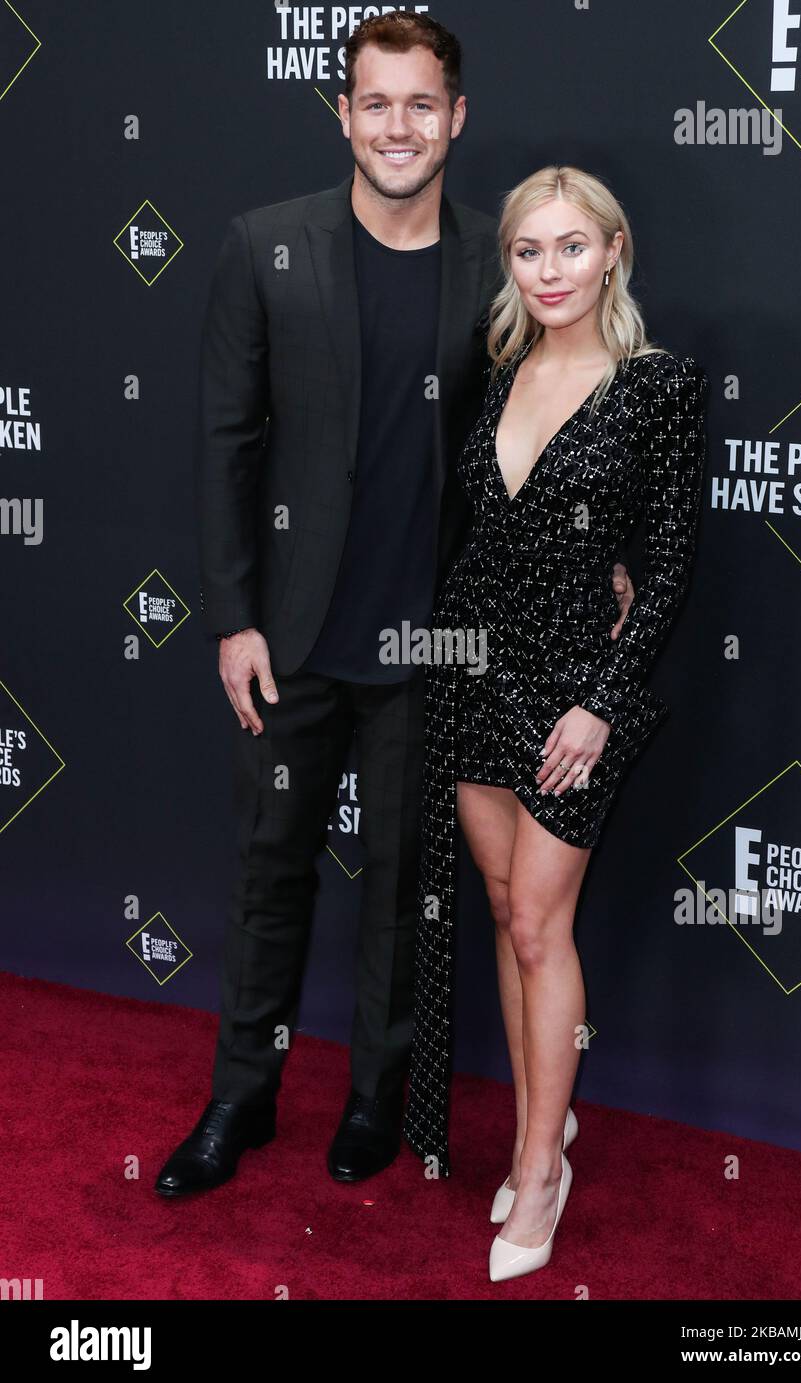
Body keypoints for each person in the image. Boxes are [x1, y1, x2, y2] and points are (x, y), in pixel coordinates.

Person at [154, 15, 637, 1198]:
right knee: (271, 871)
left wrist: (612, 554)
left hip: (441, 639)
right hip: (293, 633)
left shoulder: (499, 261)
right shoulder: (264, 247)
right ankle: (239, 1101)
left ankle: (376, 1102)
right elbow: (224, 443)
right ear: (343, 115)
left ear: (455, 117)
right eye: (376, 104)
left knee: (404, 888)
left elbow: (573, 415)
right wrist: (231, 616)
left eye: (421, 104)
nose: (398, 127)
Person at [403, 164, 709, 1282]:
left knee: (539, 922)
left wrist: (601, 700)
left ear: (612, 251)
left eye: (571, 248)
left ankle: (539, 1171)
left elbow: (669, 570)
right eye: (529, 251)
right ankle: (549, 1119)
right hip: (477, 668)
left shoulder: (657, 385)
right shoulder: (499, 370)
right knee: (500, 909)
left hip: (583, 683)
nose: (548, 271)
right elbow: (479, 535)